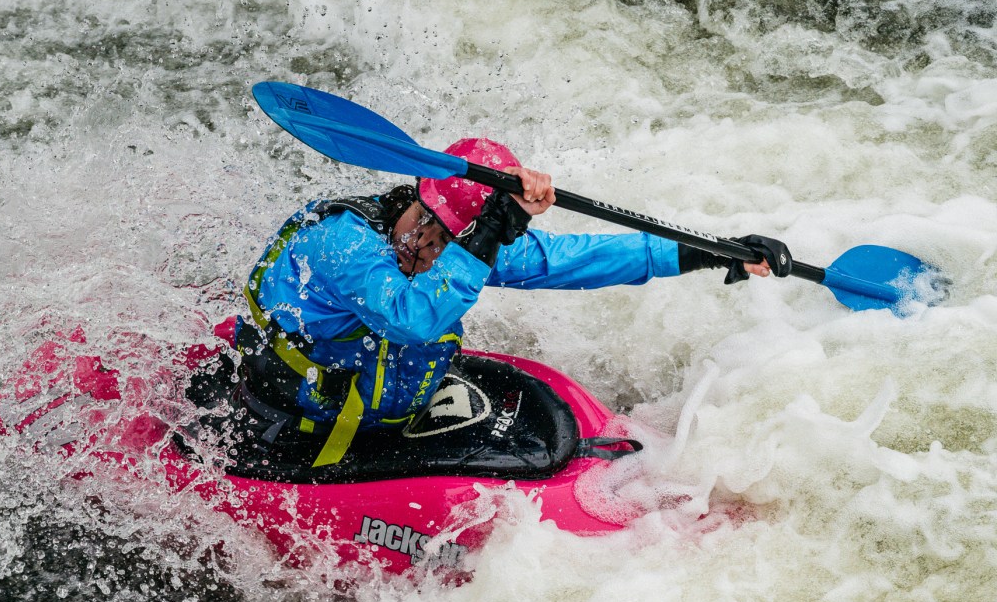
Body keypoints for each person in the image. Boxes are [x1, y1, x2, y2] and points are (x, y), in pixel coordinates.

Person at [236, 138, 790, 467]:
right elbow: (409, 318)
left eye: (459, 245)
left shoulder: (458, 245)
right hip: (291, 422)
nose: (440, 254)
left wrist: (714, 253)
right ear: (424, 211)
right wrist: (477, 243)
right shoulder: (341, 243)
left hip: (372, 404)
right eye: (443, 239)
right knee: (425, 323)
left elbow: (582, 258)